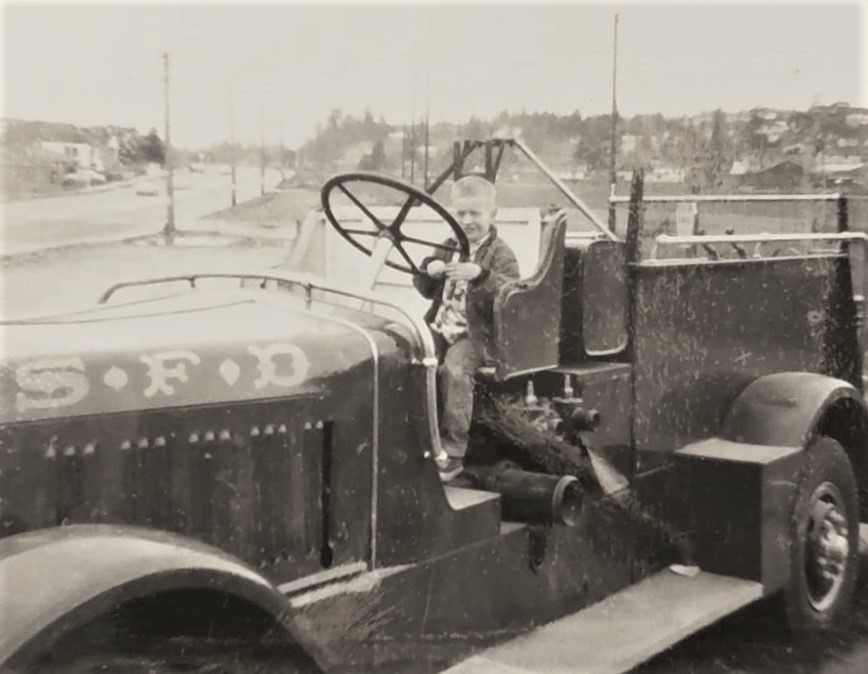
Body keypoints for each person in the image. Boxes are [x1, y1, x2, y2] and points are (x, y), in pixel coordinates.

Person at [414, 175, 520, 482]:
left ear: (492, 215)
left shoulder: (500, 253)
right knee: (409, 360)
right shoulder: (446, 247)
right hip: (441, 325)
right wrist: (429, 270)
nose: (468, 220)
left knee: (454, 372)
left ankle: (454, 451)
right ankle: (417, 437)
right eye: (461, 214)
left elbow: (510, 293)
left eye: (475, 213)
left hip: (475, 335)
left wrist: (480, 274)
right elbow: (423, 287)